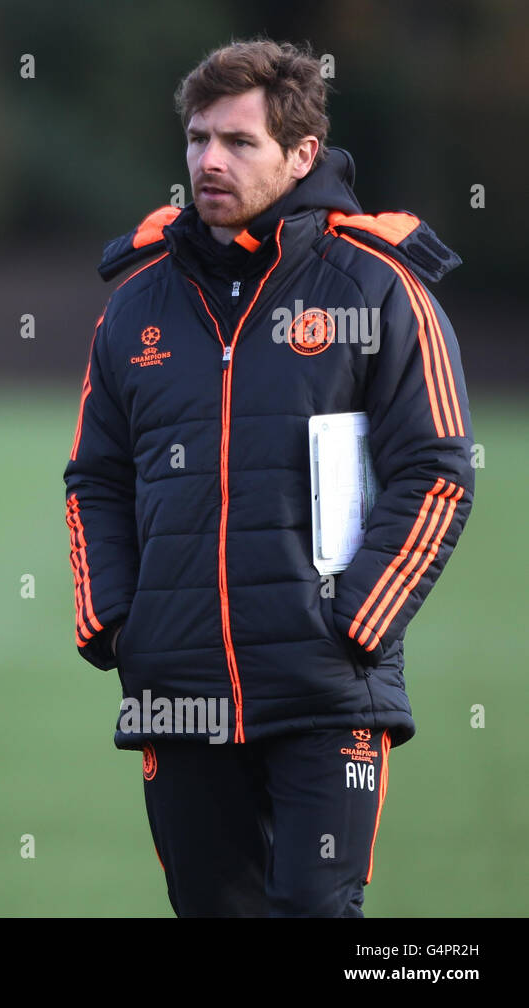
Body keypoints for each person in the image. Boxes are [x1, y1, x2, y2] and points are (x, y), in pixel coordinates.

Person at [63, 38, 475, 917]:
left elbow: (437, 472)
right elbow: (94, 477)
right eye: (198, 137)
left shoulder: (379, 288)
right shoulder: (137, 302)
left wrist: (356, 622)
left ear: (301, 156)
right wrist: (117, 621)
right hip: (178, 689)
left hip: (327, 685)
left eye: (238, 142)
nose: (209, 160)